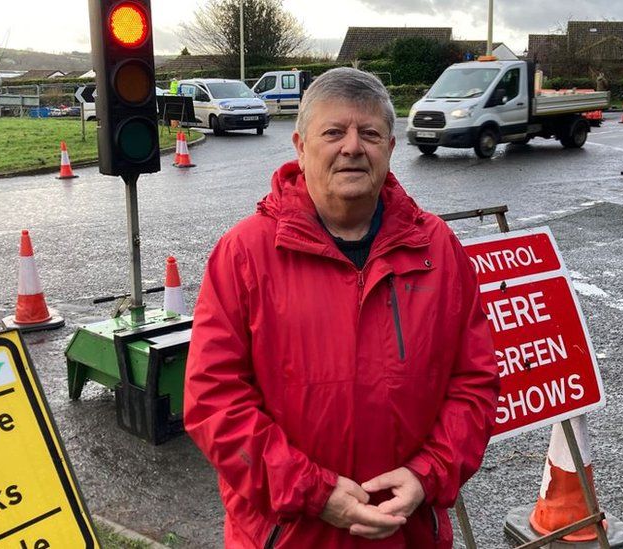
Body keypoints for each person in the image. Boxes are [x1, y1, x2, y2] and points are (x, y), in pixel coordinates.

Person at [184, 67, 499, 548]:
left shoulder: (437, 248)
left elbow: (473, 383)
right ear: (299, 146)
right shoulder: (244, 253)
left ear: (390, 149)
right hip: (290, 534)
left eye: (369, 133)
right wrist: (313, 491)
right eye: (333, 132)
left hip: (407, 533)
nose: (352, 147)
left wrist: (427, 474)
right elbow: (214, 400)